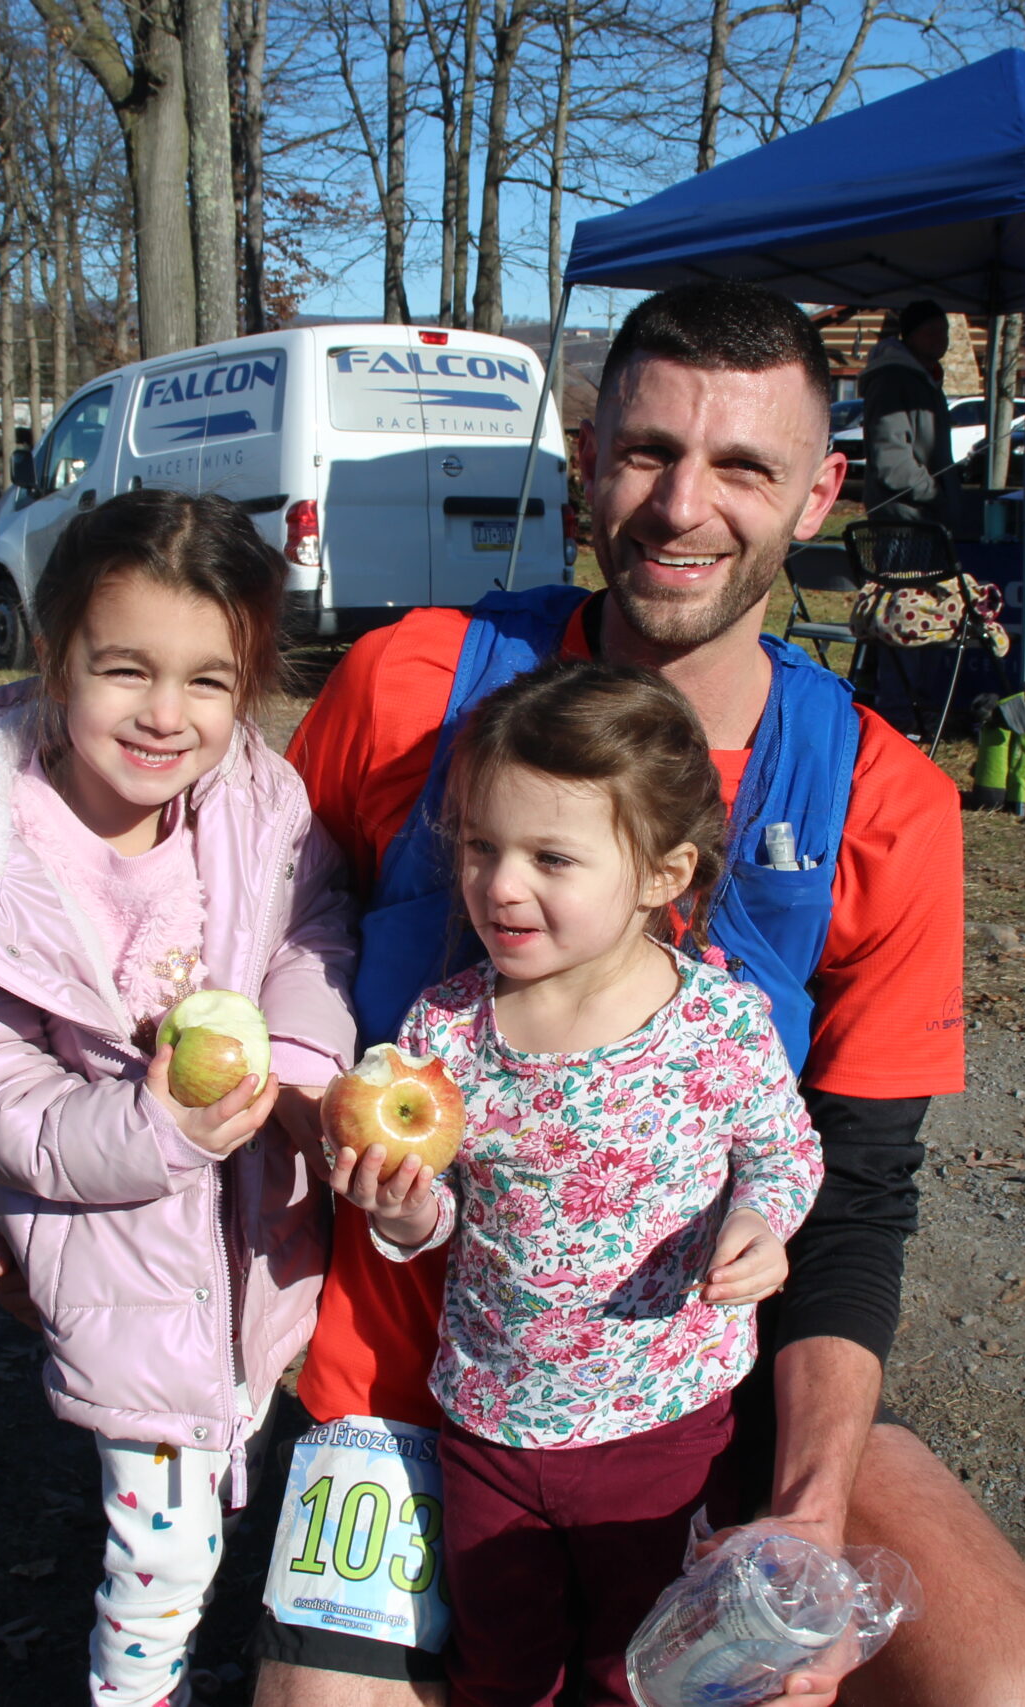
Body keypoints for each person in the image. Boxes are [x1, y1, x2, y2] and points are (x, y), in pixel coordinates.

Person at [0, 283, 1025, 1707]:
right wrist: (39, 1172)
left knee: (1020, 1688)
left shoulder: (885, 799)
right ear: (584, 458)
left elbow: (858, 1187)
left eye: (743, 466)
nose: (681, 507)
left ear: (820, 494)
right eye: (645, 452)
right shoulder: (412, 684)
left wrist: (806, 1503)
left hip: (703, 1391)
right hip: (400, 1390)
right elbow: (172, 931)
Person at [0, 488, 358, 1706]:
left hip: (247, 1241)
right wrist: (150, 1130)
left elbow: (310, 936)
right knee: (164, 1551)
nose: (165, 715)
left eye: (209, 680)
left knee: (231, 1457)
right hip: (117, 1253)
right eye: (126, 670)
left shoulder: (255, 801)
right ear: (54, 657)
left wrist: (297, 1074)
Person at [331, 658, 822, 1706]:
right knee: (500, 1660)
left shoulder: (718, 1026)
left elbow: (785, 1152)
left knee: (636, 1665)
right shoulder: (444, 1030)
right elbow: (448, 1201)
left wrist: (763, 1224)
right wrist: (408, 1215)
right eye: (478, 846)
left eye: (551, 857)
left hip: (664, 1423)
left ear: (662, 873)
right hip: (489, 1419)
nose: (500, 885)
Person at [857, 298, 963, 543]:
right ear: (910, 336)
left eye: (944, 331)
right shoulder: (892, 381)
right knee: (904, 583)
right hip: (903, 523)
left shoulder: (928, 381)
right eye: (930, 332)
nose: (940, 338)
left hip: (927, 521)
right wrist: (936, 493)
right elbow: (891, 462)